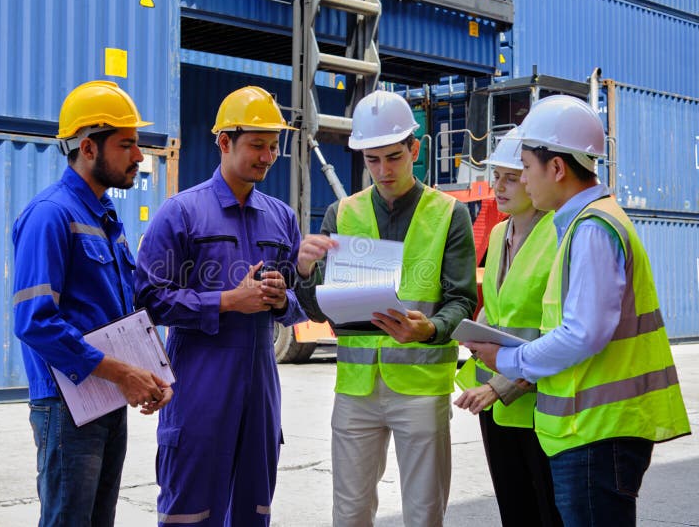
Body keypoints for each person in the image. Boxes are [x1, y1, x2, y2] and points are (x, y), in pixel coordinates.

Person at [467, 95, 691, 527]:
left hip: (597, 433)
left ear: (556, 168)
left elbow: (584, 333)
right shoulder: (583, 224)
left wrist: (507, 360)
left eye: (526, 169)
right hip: (586, 429)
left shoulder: (591, 228)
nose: (522, 182)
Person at [295, 90, 477, 527]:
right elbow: (319, 313)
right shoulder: (341, 213)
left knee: (423, 513)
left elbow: (461, 299)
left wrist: (429, 329)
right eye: (372, 160)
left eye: (393, 157)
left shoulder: (450, 214)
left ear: (415, 148)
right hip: (356, 389)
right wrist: (303, 271)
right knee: (350, 512)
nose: (383, 170)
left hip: (421, 386)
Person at [134, 86, 306, 526]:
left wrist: (281, 299)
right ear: (224, 141)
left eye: (273, 147)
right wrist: (229, 301)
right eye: (256, 146)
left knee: (253, 514)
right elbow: (148, 301)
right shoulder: (181, 213)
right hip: (198, 391)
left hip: (261, 392)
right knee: (190, 515)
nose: (267, 157)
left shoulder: (282, 218)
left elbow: (302, 303)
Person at [13, 80, 173, 526]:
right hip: (66, 408)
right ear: (88, 147)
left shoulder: (103, 216)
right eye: (127, 145)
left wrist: (151, 373)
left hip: (105, 397)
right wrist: (123, 373)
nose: (139, 157)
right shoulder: (50, 215)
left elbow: (124, 310)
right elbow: (35, 323)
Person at [453, 128, 561, 526]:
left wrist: (497, 387)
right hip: (494, 404)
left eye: (511, 177)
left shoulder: (560, 236)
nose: (497, 186)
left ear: (538, 175)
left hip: (538, 403)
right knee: (514, 511)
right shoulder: (499, 233)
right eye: (495, 176)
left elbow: (556, 334)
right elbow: (496, 309)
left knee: (547, 512)